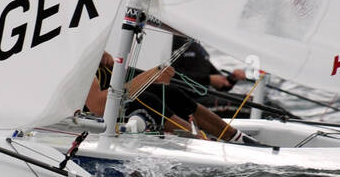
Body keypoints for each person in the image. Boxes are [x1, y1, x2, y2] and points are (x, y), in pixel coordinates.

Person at [85, 52, 239, 141]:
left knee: (169, 92)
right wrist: (150, 75)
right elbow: (99, 106)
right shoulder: (73, 55)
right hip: (86, 119)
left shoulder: (92, 53)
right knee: (145, 100)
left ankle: (238, 139)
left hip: (109, 104)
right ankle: (205, 144)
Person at [171, 34, 248, 92]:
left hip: (203, 96)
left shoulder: (195, 45)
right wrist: (208, 80)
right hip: (184, 98)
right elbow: (169, 74)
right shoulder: (171, 42)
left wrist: (232, 78)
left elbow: (222, 86)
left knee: (249, 101)